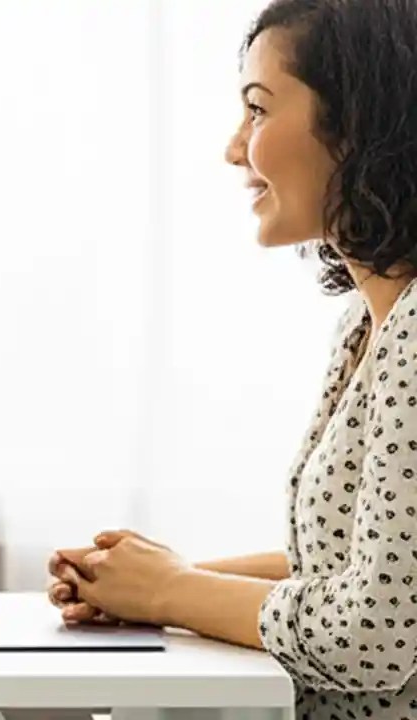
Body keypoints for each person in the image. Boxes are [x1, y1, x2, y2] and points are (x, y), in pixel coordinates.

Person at [47, 0, 417, 717]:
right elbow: (353, 573)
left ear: (364, 122)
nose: (233, 147)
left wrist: (168, 591)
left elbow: (373, 632)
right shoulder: (366, 323)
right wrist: (145, 580)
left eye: (258, 109)